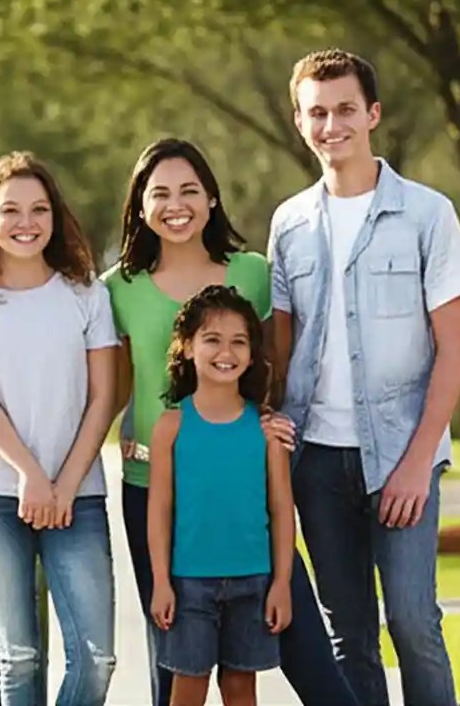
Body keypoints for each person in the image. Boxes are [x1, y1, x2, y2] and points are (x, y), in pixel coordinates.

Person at [103, 137, 359, 706]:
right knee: (174, 669)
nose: (177, 204)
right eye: (161, 193)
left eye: (190, 190)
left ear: (212, 199)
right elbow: (115, 386)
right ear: (140, 207)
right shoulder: (117, 287)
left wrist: (271, 421)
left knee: (306, 653)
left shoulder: (252, 272)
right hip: (155, 488)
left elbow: (274, 363)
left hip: (246, 487)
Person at [269, 48, 460, 706]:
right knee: (348, 632)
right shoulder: (289, 224)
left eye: (345, 110)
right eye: (318, 113)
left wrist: (417, 464)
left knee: (414, 622)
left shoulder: (427, 214)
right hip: (316, 457)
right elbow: (282, 347)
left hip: (401, 455)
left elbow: (455, 351)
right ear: (300, 122)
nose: (333, 125)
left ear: (373, 115)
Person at [0, 151, 119, 706]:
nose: (26, 222)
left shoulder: (86, 292)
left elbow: (103, 397)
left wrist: (62, 485)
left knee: (96, 659)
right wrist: (30, 476)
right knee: (19, 659)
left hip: (78, 498)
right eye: (11, 209)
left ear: (55, 217)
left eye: (39, 209)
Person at [147, 285, 295, 706]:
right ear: (188, 347)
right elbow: (159, 510)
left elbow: (282, 510)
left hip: (253, 581)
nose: (225, 351)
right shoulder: (170, 427)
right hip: (189, 583)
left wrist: (281, 583)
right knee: (188, 688)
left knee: (239, 688)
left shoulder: (266, 429)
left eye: (238, 341)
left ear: (251, 353)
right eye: (212, 339)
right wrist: (162, 582)